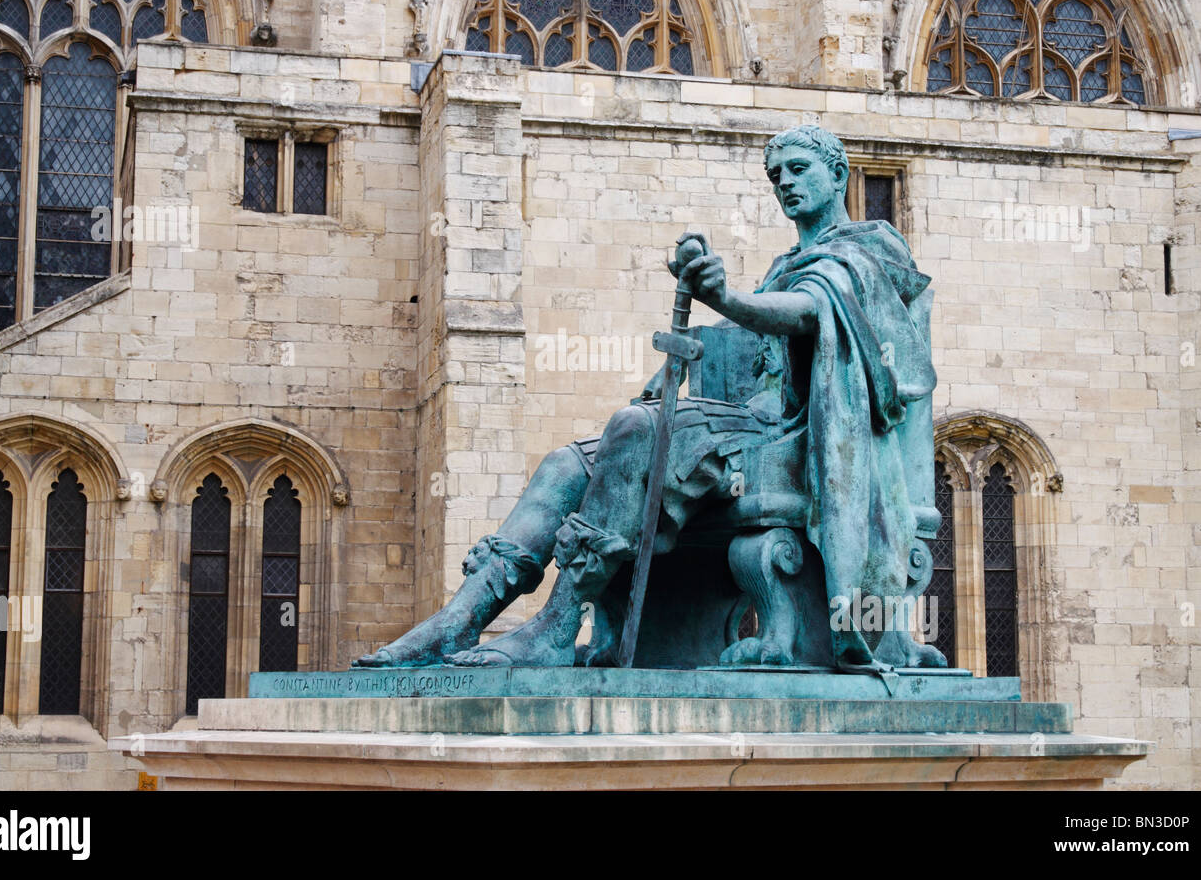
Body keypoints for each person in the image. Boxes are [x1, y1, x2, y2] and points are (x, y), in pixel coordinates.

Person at [357, 124, 937, 669]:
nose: (784, 181)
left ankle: (557, 628)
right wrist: (688, 359)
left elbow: (809, 313)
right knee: (565, 464)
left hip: (801, 441)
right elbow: (750, 348)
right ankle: (459, 619)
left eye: (798, 167)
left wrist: (725, 298)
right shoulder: (785, 264)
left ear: (838, 175)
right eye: (775, 173)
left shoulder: (870, 249)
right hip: (746, 425)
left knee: (635, 429)